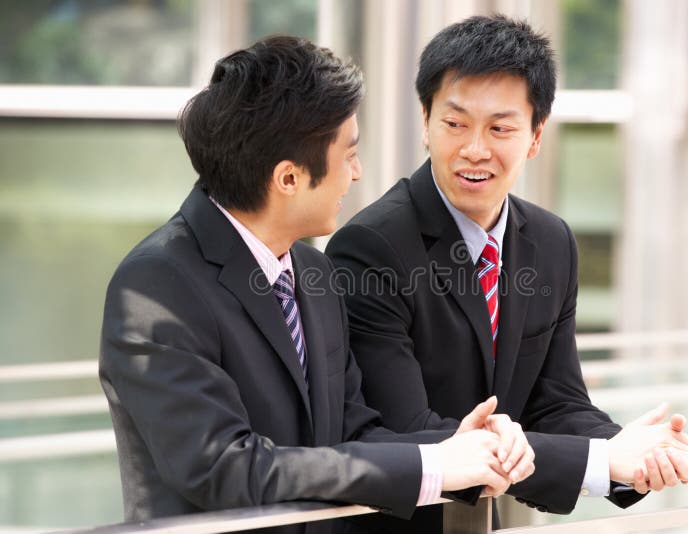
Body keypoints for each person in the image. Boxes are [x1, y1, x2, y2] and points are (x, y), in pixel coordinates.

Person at [98, 35, 536, 534]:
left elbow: (351, 431)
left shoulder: (313, 271)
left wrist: (456, 448)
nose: (357, 173)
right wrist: (431, 467)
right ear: (288, 178)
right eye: (348, 155)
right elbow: (224, 468)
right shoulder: (155, 288)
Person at [326, 14, 688, 533]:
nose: (475, 149)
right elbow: (407, 428)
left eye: (500, 128)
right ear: (425, 121)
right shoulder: (372, 247)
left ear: (535, 135)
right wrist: (601, 461)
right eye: (455, 124)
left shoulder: (551, 242)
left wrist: (629, 451)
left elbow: (557, 401)